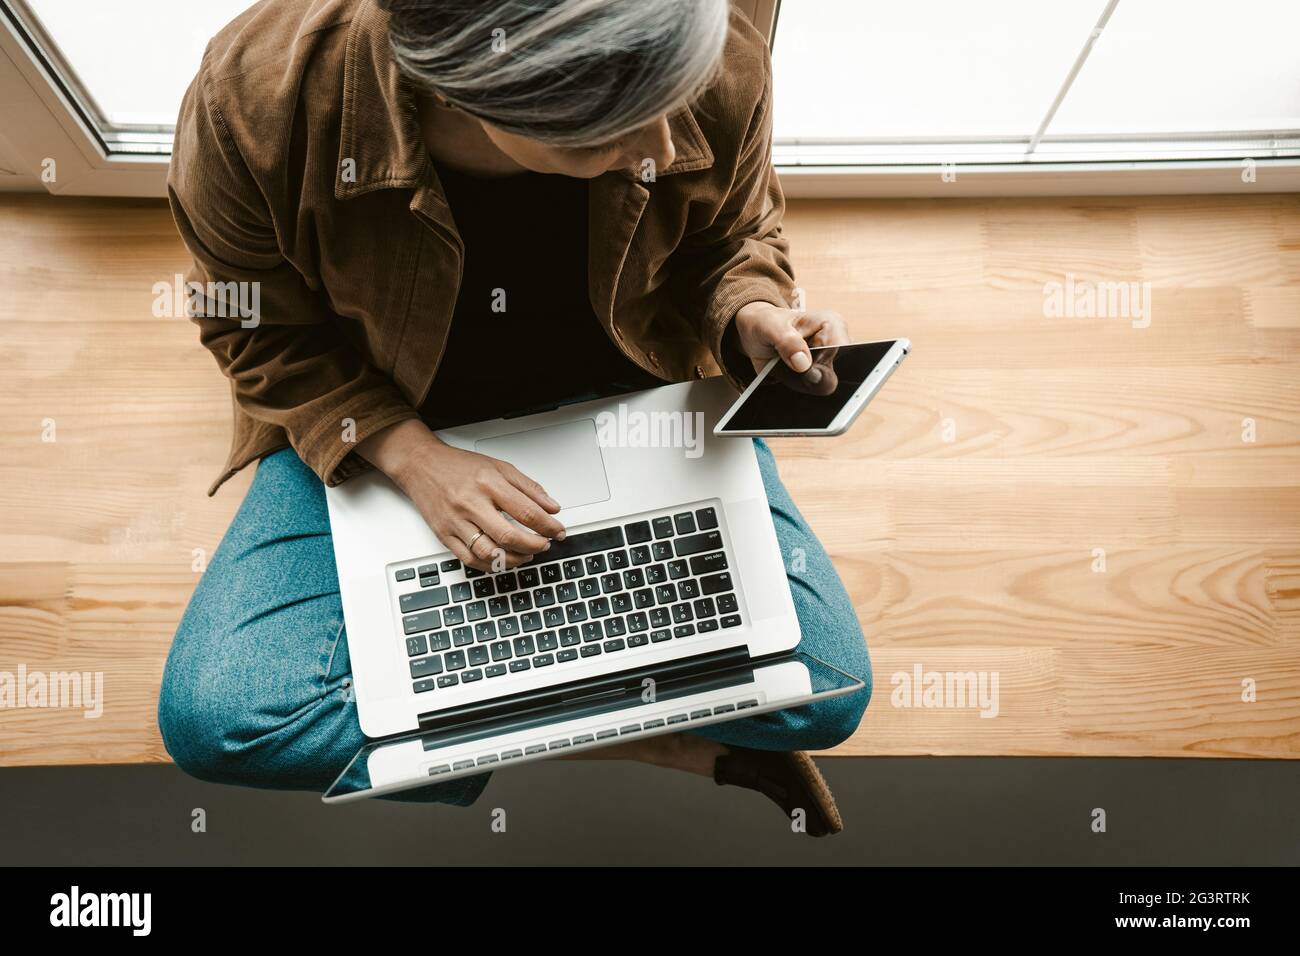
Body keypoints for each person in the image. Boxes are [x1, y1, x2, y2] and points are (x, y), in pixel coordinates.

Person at [158, 0, 871, 837]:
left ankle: (523, 717)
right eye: (609, 133)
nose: (664, 151)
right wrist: (414, 459)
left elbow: (737, 232)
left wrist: (747, 309)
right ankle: (669, 742)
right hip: (377, 411)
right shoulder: (253, 99)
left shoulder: (707, 43)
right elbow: (252, 325)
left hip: (635, 405)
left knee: (827, 685)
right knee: (222, 718)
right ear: (466, 96)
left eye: (670, 105)